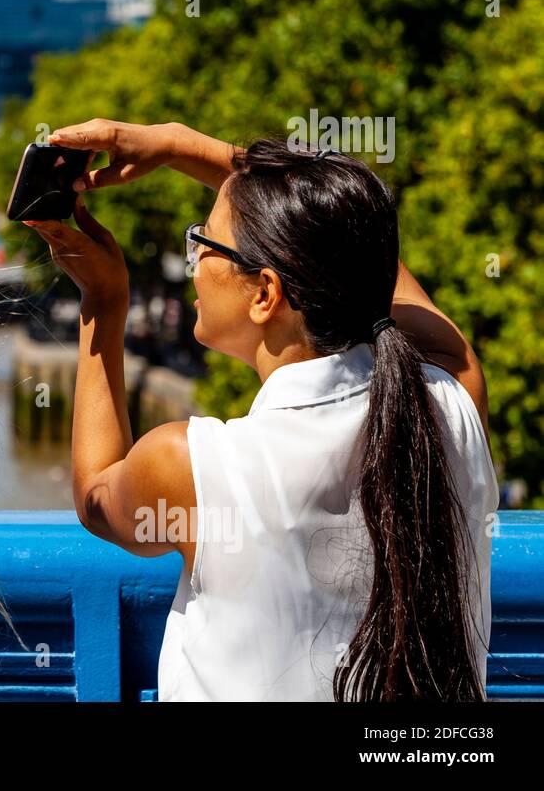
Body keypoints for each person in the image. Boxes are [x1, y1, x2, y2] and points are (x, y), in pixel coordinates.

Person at [25, 119, 498, 701]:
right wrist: (188, 148)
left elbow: (97, 494)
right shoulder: (451, 406)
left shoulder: (190, 466)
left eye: (204, 242)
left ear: (265, 294)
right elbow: (361, 254)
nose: (194, 258)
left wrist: (103, 301)